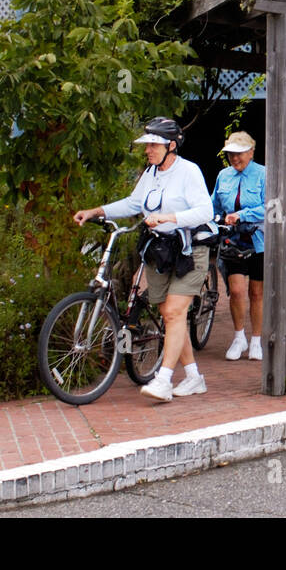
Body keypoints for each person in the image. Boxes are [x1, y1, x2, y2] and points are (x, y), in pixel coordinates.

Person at [73, 117, 214, 401]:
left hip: (191, 250)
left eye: (154, 144)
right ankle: (193, 377)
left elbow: (205, 212)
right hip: (161, 250)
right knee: (169, 314)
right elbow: (132, 204)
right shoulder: (150, 173)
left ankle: (163, 380)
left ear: (171, 146)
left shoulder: (189, 172)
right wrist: (96, 211)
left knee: (174, 312)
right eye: (147, 144)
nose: (148, 149)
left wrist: (169, 217)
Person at [213, 131, 267, 361]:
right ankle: (238, 337)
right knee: (235, 291)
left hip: (258, 240)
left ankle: (256, 340)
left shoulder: (264, 174)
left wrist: (242, 214)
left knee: (256, 292)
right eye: (231, 154)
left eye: (239, 153)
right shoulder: (223, 176)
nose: (235, 158)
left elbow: (271, 206)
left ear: (251, 152)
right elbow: (213, 204)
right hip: (232, 240)